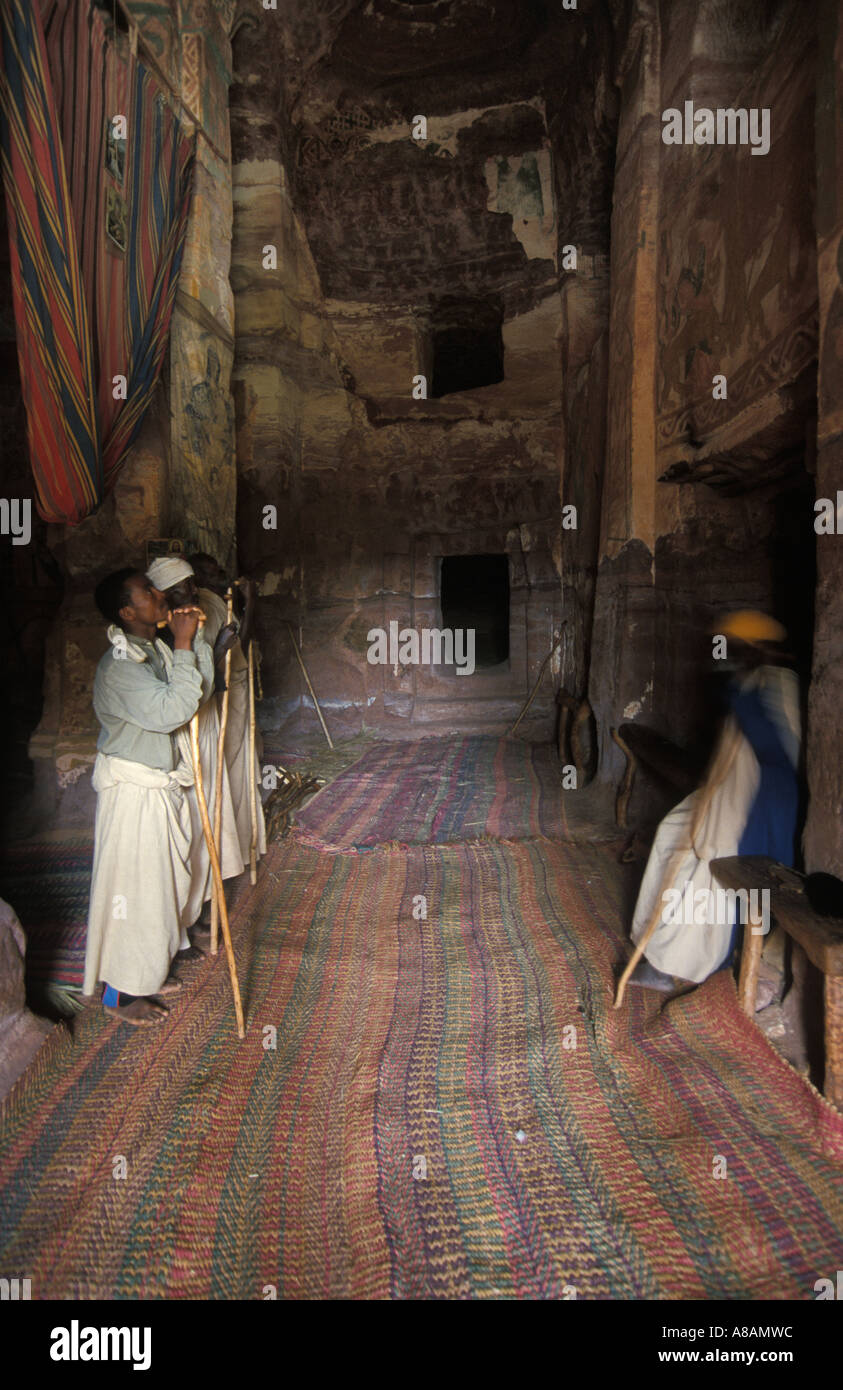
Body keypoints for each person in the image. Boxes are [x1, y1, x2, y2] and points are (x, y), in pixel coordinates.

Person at [626, 611, 801, 991]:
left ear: (760, 649)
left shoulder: (781, 684)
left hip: (757, 804)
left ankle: (682, 966)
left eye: (740, 647)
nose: (732, 654)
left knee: (710, 860)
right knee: (673, 830)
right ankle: (651, 938)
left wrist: (740, 697)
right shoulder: (751, 679)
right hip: (727, 791)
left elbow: (774, 753)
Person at [83, 568, 213, 1026]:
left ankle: (148, 969)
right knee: (133, 892)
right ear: (127, 612)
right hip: (135, 792)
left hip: (158, 783)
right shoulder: (118, 666)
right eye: (148, 592)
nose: (160, 595)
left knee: (162, 889)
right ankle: (118, 994)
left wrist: (191, 644)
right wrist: (182, 644)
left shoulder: (151, 649)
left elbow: (198, 694)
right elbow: (170, 711)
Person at [146, 556, 244, 937]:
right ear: (160, 595)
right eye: (178, 589)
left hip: (206, 728)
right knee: (187, 823)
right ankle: (180, 917)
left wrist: (217, 646)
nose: (189, 593)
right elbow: (178, 702)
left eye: (190, 584)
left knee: (209, 821)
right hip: (180, 739)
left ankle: (203, 904)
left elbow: (210, 688)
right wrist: (217, 649)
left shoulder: (194, 627)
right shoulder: (159, 639)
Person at [189, 554, 266, 871]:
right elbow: (238, 647)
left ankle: (242, 834)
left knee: (239, 761)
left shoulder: (218, 603)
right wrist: (252, 605)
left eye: (219, 570)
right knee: (231, 762)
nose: (220, 576)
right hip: (221, 693)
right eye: (210, 573)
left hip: (232, 688)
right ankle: (231, 842)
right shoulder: (208, 607)